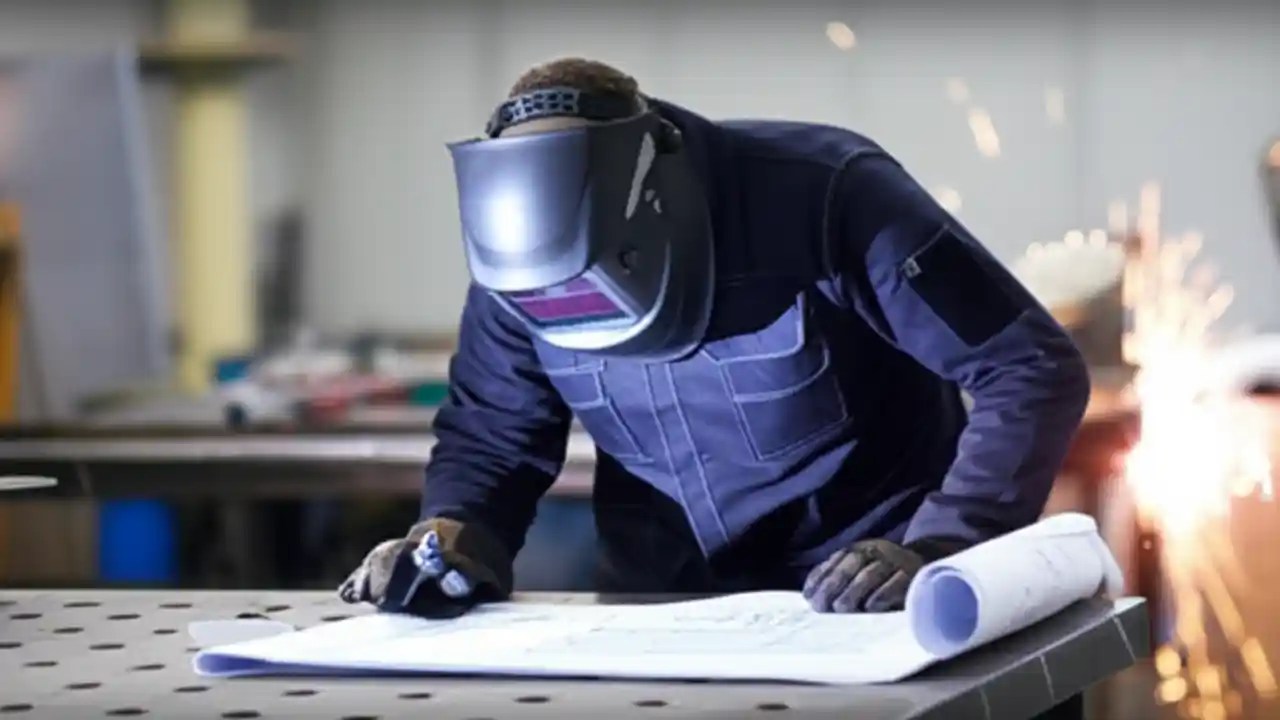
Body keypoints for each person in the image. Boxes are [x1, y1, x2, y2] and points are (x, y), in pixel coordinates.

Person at [339, 57, 1091, 616]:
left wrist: (942, 548)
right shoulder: (520, 263)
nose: (572, 308)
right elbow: (493, 439)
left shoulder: (828, 194)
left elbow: (1027, 367)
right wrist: (453, 537)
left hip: (873, 597)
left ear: (656, 202)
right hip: (663, 611)